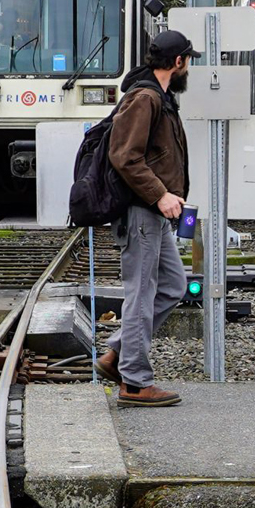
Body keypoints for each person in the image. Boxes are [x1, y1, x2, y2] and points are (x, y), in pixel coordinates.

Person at [96, 29, 198, 408]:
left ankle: (117, 354)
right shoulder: (144, 98)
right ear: (178, 62)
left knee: (172, 285)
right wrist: (161, 194)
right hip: (141, 212)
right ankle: (135, 383)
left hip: (153, 213)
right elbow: (124, 156)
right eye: (189, 60)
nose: (189, 67)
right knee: (141, 295)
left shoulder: (159, 96)